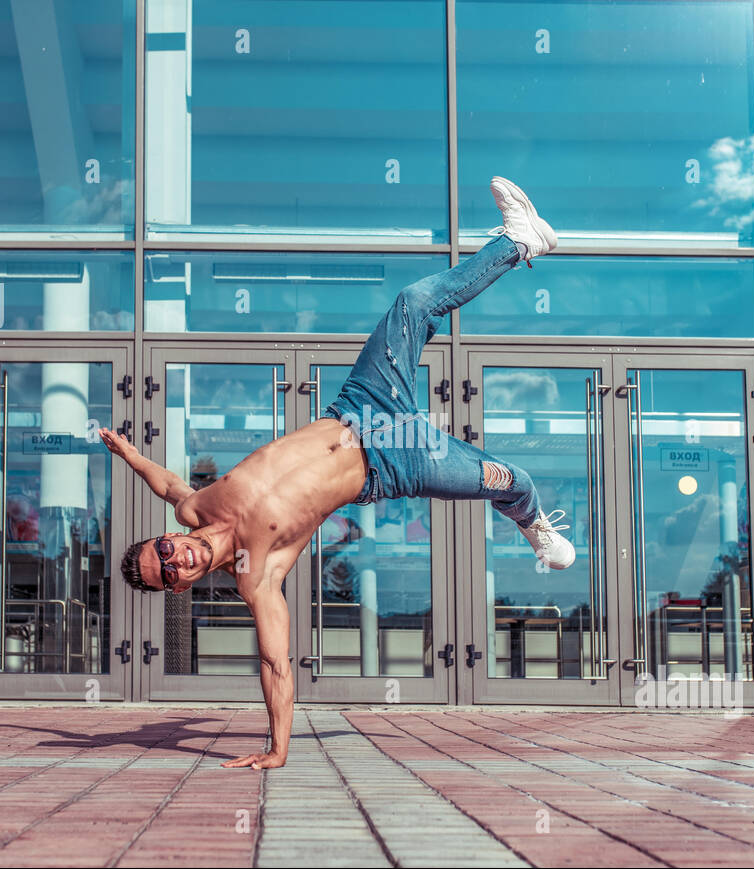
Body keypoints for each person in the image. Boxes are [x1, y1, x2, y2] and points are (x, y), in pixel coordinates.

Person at [99, 177, 574, 769]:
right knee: (509, 482)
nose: (176, 556)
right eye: (167, 570)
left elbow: (168, 483)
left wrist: (127, 454)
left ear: (165, 535)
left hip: (361, 405)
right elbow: (275, 662)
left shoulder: (194, 510)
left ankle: (519, 242)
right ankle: (536, 527)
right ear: (178, 587)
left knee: (412, 303)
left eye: (162, 549)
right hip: (395, 460)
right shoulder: (257, 575)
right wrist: (276, 748)